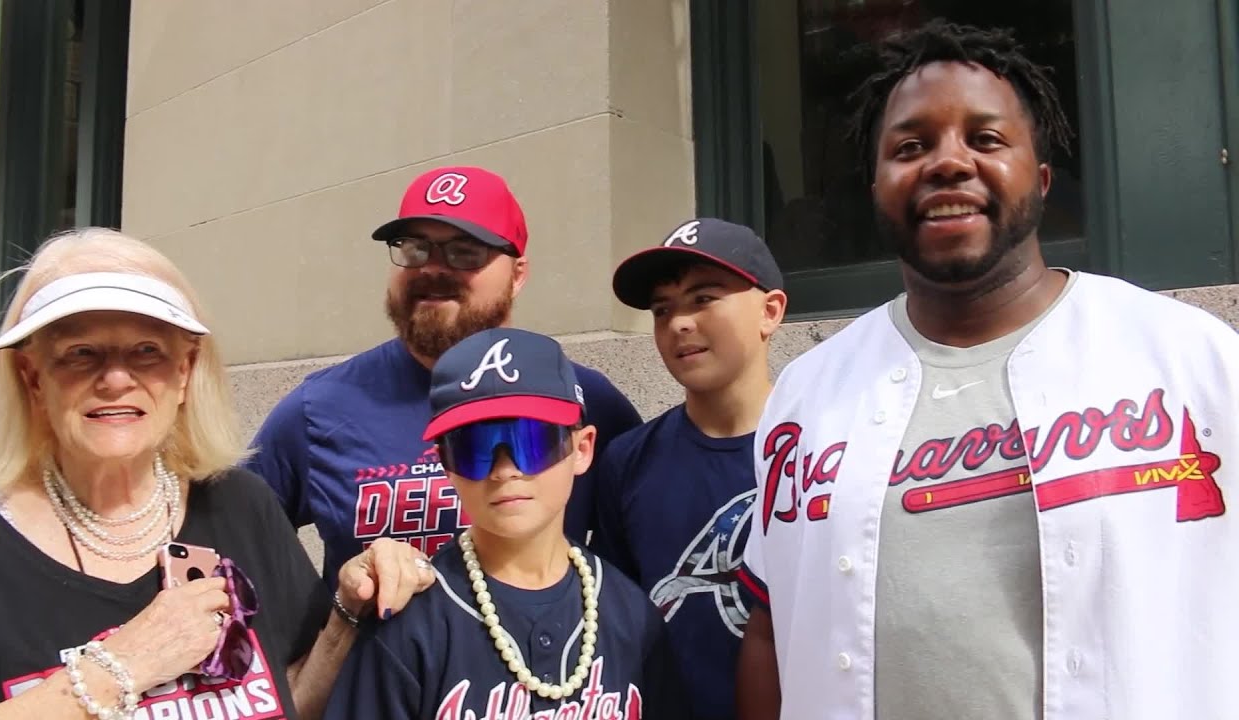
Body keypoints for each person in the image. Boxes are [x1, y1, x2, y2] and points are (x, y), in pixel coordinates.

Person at [736, 20, 1239, 720]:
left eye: (986, 138)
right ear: (877, 184)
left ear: (1040, 177)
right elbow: (769, 626)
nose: (947, 162)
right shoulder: (806, 395)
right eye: (910, 146)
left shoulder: (1194, 360)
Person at [0, 228, 430, 720]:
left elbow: (293, 699)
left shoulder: (240, 504)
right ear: (34, 378)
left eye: (146, 351)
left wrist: (348, 614)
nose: (116, 379)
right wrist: (118, 667)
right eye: (81, 353)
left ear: (184, 373)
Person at [245, 166, 642, 590]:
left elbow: (636, 552)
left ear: (518, 274)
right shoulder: (318, 408)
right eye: (415, 248)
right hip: (382, 655)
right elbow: (238, 549)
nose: (432, 269)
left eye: (465, 251)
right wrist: (313, 645)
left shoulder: (582, 400)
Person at [324, 327, 683, 720]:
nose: (505, 470)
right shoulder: (410, 623)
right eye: (473, 448)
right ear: (445, 465)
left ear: (582, 449)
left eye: (533, 441)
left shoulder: (628, 613)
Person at [590, 217, 787, 720]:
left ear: (770, 311)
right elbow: (618, 622)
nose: (679, 323)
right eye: (662, 309)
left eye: (703, 299)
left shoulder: (823, 447)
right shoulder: (627, 461)